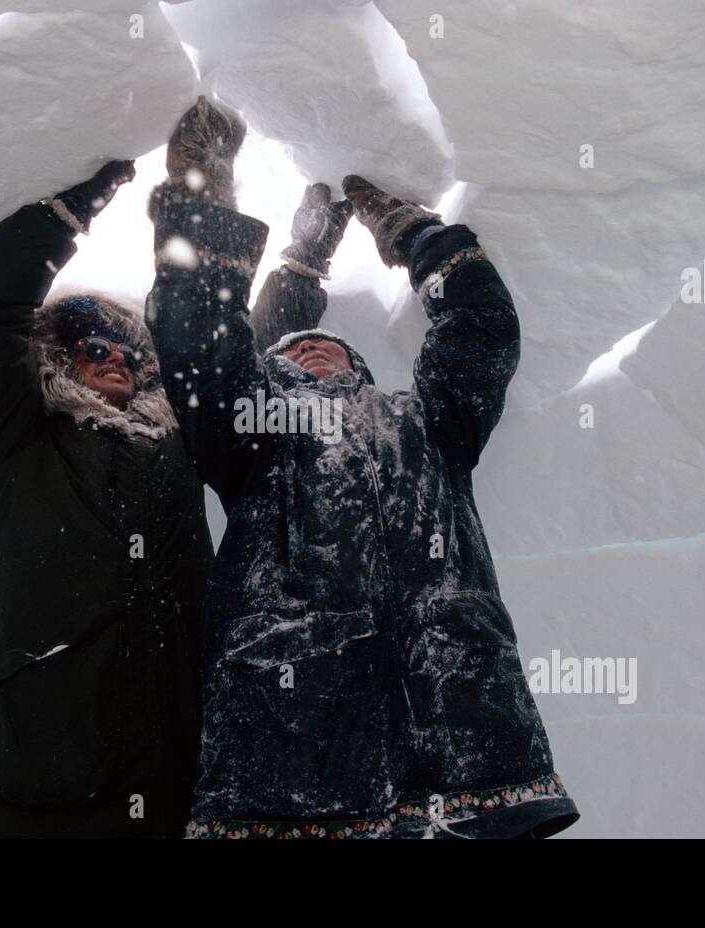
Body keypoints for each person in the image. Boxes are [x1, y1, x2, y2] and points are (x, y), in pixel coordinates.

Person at [146, 97, 580, 838]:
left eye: (330, 344)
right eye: (289, 348)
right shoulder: (256, 432)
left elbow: (481, 327)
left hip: (466, 755)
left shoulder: (426, 421)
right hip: (292, 770)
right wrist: (203, 196)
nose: (309, 346)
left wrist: (412, 233)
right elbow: (201, 345)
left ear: (365, 367)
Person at [0, 159, 213, 837]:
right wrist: (67, 213)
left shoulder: (179, 444)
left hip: (178, 770)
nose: (117, 358)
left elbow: (235, 356)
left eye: (129, 353)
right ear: (60, 361)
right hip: (47, 776)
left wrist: (301, 266)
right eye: (96, 347)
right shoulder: (20, 435)